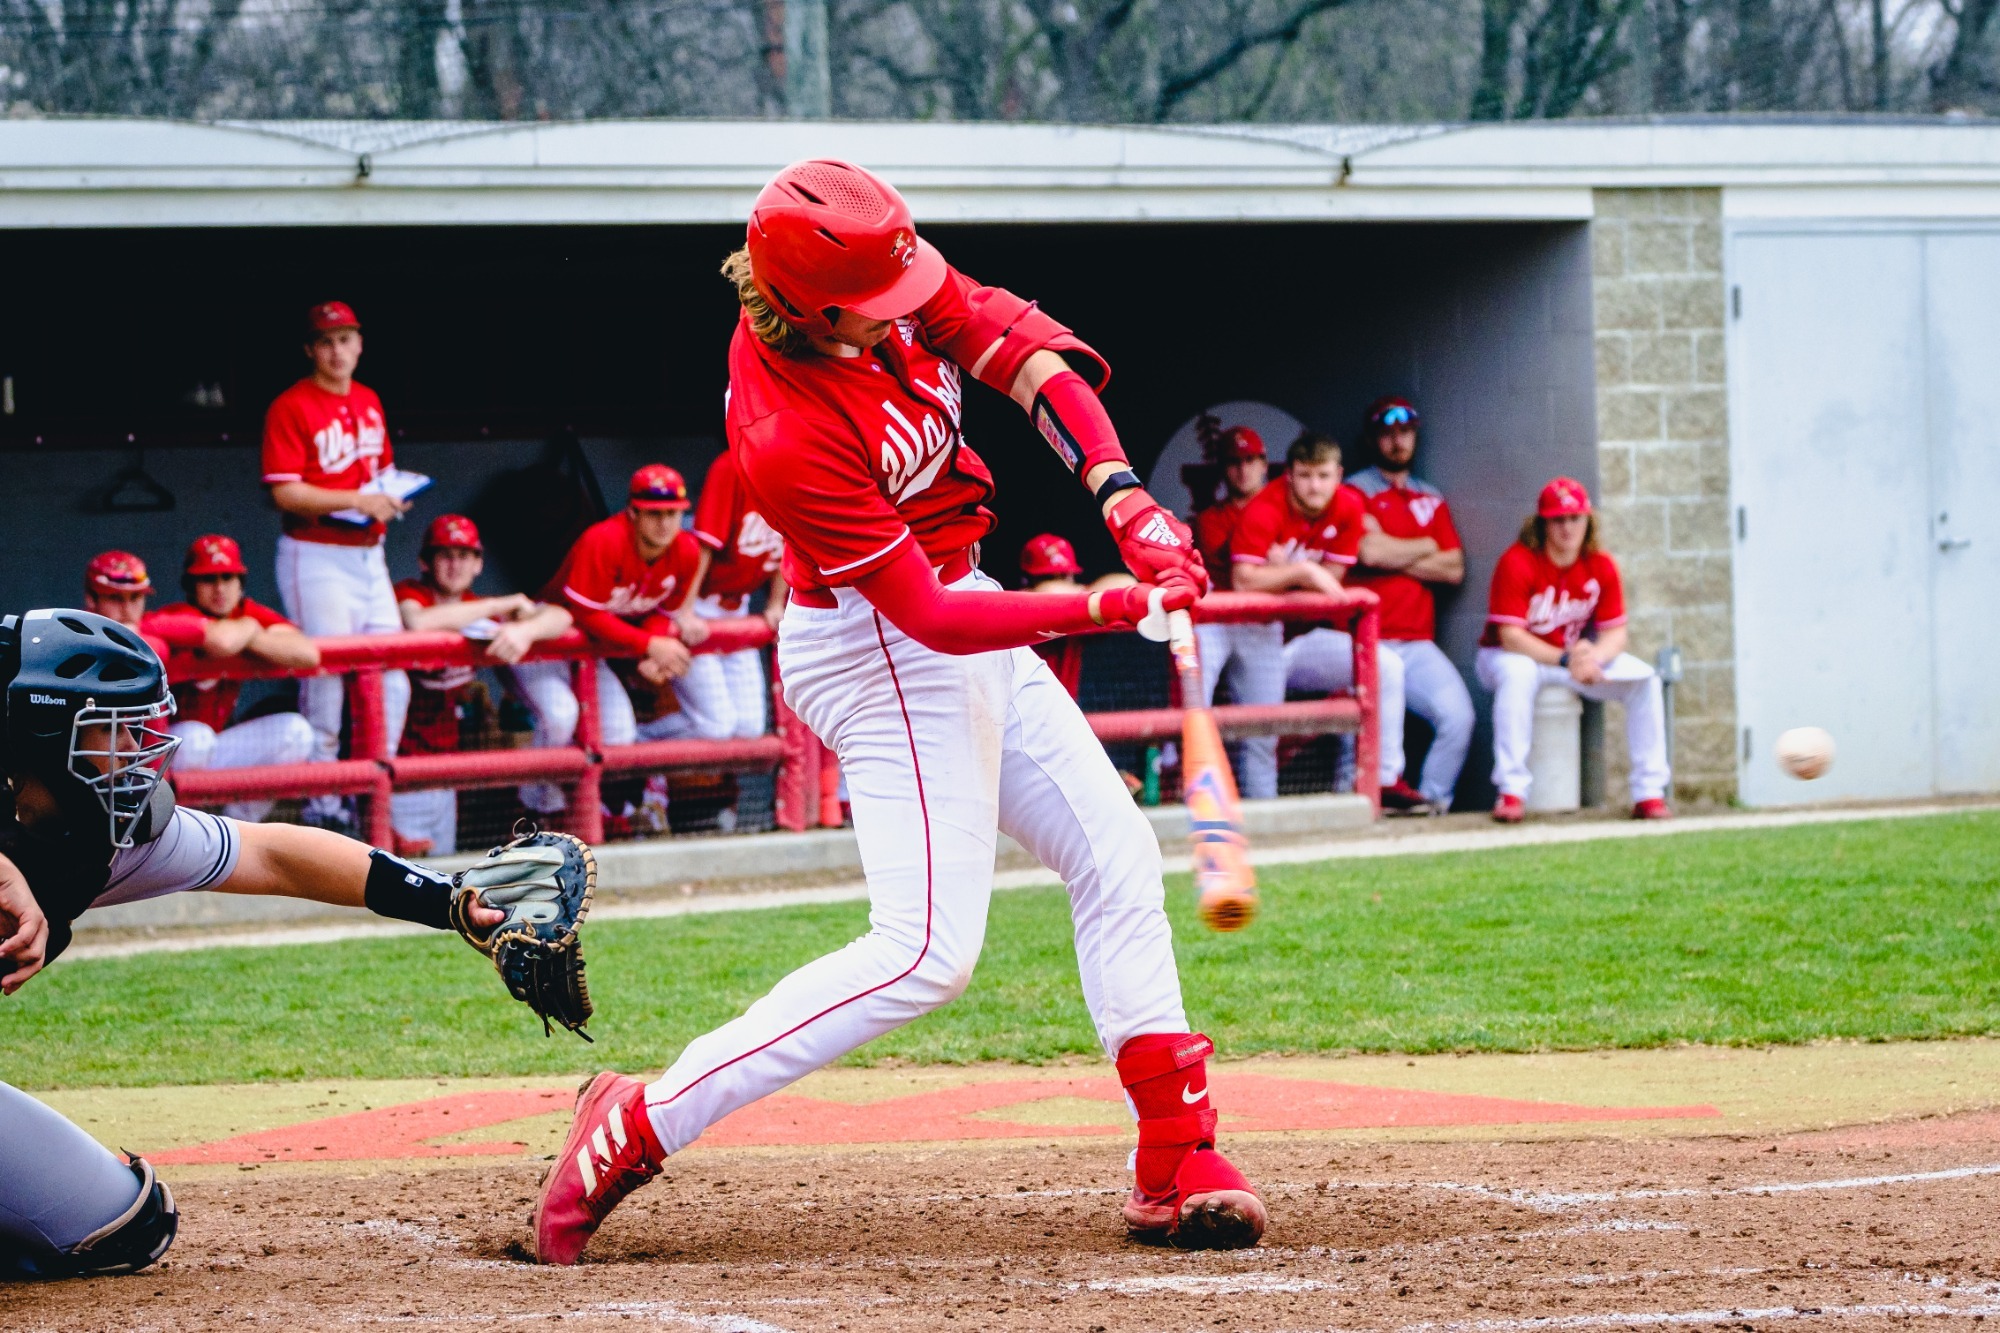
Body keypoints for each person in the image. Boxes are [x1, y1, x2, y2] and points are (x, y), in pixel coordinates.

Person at [527, 158, 1262, 1266]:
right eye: (877, 308)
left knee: (1114, 852)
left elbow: (1030, 365)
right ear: (811, 308)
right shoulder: (783, 427)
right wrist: (1110, 601)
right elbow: (924, 616)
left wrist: (1123, 496)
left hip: (959, 596)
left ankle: (1176, 1154)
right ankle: (635, 1121)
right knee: (923, 951)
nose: (908, 308)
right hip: (878, 639)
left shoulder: (881, 274)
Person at [0, 607, 510, 1279]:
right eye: (109, 731)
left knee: (126, 1223)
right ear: (36, 737)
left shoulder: (103, 838)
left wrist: (448, 901)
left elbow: (272, 855)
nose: (132, 754)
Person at [261, 300, 413, 832]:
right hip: (317, 555)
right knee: (325, 683)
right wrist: (357, 498)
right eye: (326, 341)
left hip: (371, 557)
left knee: (393, 678)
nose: (337, 349)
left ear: (360, 343)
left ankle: (376, 797)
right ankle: (324, 807)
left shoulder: (369, 399)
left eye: (345, 338)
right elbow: (284, 492)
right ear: (310, 349)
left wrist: (391, 496)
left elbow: (382, 470)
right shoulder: (292, 405)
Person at [1230, 431, 1417, 809]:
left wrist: (1291, 573)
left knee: (1387, 666)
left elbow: (1332, 586)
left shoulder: (1348, 507)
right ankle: (1260, 814)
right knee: (1261, 731)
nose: (1315, 486)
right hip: (1255, 637)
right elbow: (1243, 583)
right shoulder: (1265, 508)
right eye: (1305, 475)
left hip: (1306, 637)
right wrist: (1305, 574)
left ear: (1339, 474)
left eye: (1323, 475)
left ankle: (1381, 780)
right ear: (1289, 475)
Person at [509, 465, 702, 819]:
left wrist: (654, 644)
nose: (665, 524)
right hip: (547, 638)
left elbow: (663, 610)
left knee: (619, 731)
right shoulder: (605, 539)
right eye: (655, 514)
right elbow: (585, 614)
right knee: (559, 717)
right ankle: (532, 812)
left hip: (590, 652)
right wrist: (648, 646)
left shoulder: (686, 551)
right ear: (633, 512)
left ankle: (578, 811)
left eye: (674, 514)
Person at [1478, 477, 1672, 823]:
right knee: (1518, 674)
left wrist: (1593, 658)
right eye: (1558, 519)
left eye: (1575, 518)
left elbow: (1615, 634)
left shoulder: (1600, 563)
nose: (1567, 527)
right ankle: (1511, 790)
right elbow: (1511, 636)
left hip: (1571, 659)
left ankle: (1649, 793)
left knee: (1645, 680)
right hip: (1512, 657)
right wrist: (1569, 659)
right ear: (1543, 523)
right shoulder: (1518, 561)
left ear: (1588, 520)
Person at [392, 515, 573, 856]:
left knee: (440, 877)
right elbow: (417, 622)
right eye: (445, 555)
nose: (455, 564)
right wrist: (496, 605)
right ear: (425, 562)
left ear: (478, 564)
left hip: (445, 771)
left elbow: (563, 617)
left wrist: (524, 628)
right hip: (399, 770)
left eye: (464, 555)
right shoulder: (409, 592)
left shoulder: (479, 609)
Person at [1346, 397, 1477, 813]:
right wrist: (1424, 546)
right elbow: (1369, 552)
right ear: (1373, 438)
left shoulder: (1429, 497)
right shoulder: (1354, 490)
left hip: (1418, 641)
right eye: (1387, 433)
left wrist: (1395, 550)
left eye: (1404, 432)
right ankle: (1377, 795)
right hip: (1370, 639)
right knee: (1370, 719)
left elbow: (1454, 567)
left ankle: (1433, 804)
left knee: (1459, 718)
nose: (1397, 441)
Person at [146, 535, 319, 825]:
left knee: (296, 731)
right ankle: (184, 827)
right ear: (191, 586)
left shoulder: (246, 614)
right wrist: (252, 629)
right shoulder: (177, 615)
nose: (220, 588)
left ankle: (241, 825)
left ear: (241, 583)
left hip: (217, 748)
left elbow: (307, 654)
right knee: (197, 737)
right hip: (171, 751)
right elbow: (223, 642)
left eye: (228, 577)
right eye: (208, 579)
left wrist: (249, 630)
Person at [1189, 425, 1284, 800]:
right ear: (1223, 469)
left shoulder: (1285, 509)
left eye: (1250, 460)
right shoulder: (1212, 517)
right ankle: (1191, 802)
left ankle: (1266, 813)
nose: (1243, 470)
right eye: (1234, 462)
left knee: (1263, 729)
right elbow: (1238, 563)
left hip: (1262, 625)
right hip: (1217, 620)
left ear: (1264, 464)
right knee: (1195, 707)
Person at [677, 448, 788, 742]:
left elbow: (793, 543)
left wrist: (776, 602)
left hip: (738, 607)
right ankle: (647, 757)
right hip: (699, 602)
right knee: (716, 727)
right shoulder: (731, 465)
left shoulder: (799, 468)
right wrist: (684, 610)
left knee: (750, 728)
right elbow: (706, 544)